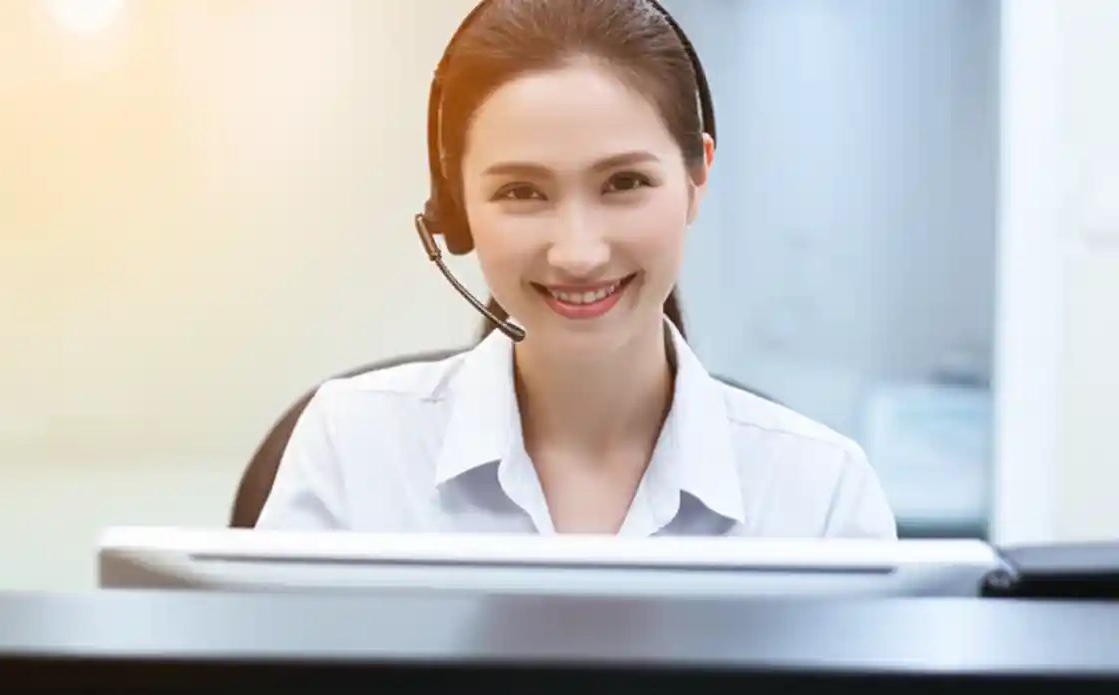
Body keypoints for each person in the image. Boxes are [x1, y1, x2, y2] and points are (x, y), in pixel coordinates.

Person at [257, 0, 897, 538]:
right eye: (521, 192)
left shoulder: (819, 496)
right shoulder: (352, 448)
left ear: (697, 177)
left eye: (624, 183)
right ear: (456, 205)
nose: (578, 253)